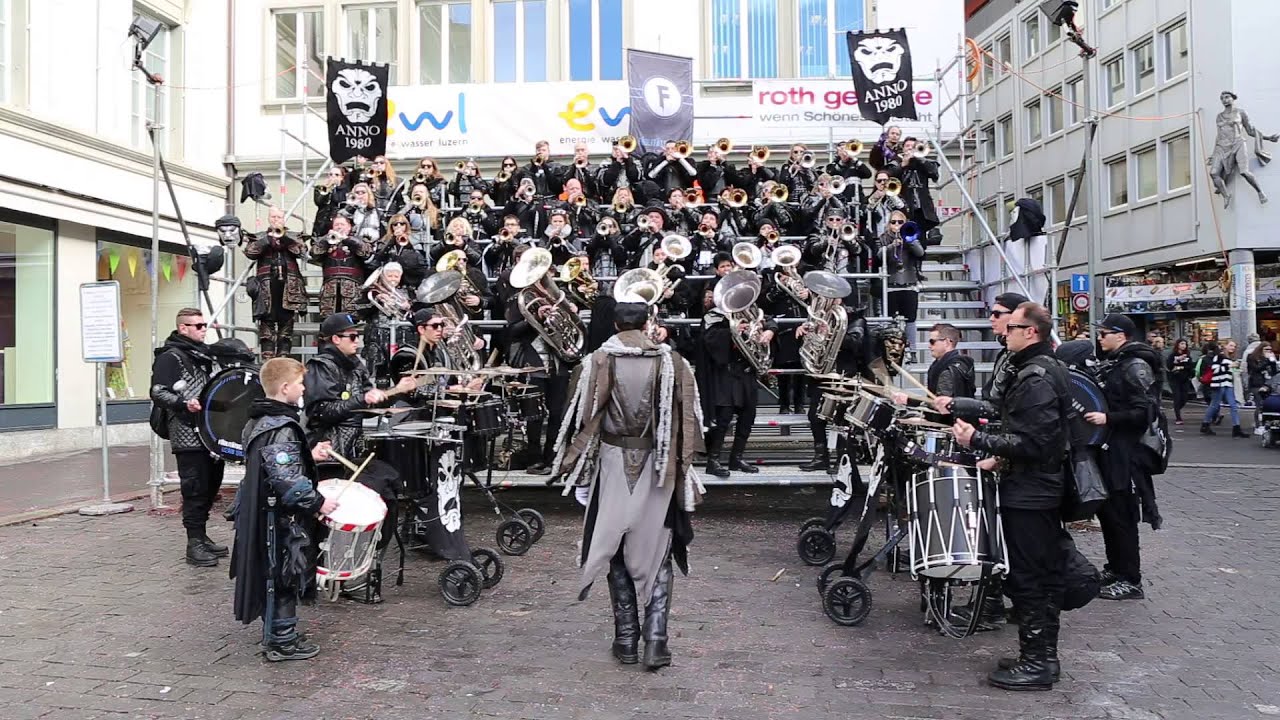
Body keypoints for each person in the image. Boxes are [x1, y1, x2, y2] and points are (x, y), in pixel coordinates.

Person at [551, 302, 704, 670]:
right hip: (659, 465)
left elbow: (581, 419)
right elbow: (689, 420)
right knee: (659, 548)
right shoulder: (672, 363)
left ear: (617, 323)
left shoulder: (596, 362)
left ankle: (626, 640)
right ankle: (655, 642)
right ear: (648, 323)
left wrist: (579, 472)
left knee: (616, 547)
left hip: (611, 462)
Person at [950, 302, 1068, 691]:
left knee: (1031, 577)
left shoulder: (1037, 376)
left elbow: (1034, 442)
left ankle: (1038, 663)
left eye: (1012, 327)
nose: (1005, 332)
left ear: (1031, 332)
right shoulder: (1038, 369)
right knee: (1034, 574)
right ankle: (1038, 657)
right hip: (1034, 487)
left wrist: (977, 439)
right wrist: (996, 457)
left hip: (1033, 492)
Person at [230, 357, 337, 662]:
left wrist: (308, 456)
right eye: (300, 383)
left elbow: (275, 464)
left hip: (264, 513)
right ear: (286, 387)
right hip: (279, 520)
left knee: (275, 574)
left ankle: (280, 633)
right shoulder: (281, 425)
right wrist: (318, 502)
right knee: (285, 575)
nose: (304, 388)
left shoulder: (259, 420)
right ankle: (283, 640)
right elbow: (286, 479)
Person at [304, 313, 415, 603]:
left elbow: (369, 398)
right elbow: (320, 412)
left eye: (358, 336)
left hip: (352, 449)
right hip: (328, 452)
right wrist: (359, 401)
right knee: (332, 513)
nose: (358, 341)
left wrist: (395, 392)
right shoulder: (321, 367)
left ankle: (360, 567)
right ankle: (327, 573)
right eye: (352, 337)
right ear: (335, 339)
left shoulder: (355, 365)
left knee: (389, 489)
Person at [1089, 313, 1163, 601]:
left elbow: (1145, 412)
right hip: (1113, 450)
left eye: (1104, 332)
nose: (1100, 337)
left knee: (1122, 516)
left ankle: (1131, 580)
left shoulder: (1134, 365)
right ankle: (1116, 569)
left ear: (1121, 336)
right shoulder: (1118, 363)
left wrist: (1108, 418)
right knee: (1110, 513)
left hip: (1127, 455)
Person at [149, 308, 227, 567]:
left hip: (210, 433)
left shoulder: (204, 354)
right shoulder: (170, 357)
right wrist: (183, 403)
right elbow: (158, 392)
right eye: (198, 325)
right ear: (183, 328)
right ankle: (193, 543)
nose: (203, 329)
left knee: (211, 486)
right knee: (194, 489)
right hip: (186, 432)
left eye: (205, 325)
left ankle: (202, 537)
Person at [700, 279, 777, 477]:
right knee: (724, 417)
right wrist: (733, 332)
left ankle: (737, 458)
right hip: (726, 372)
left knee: (747, 417)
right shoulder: (714, 315)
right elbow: (708, 340)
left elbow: (770, 320)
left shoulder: (752, 312)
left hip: (747, 371)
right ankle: (713, 460)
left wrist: (769, 330)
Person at [243, 207, 306, 359]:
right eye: (273, 217)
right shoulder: (260, 237)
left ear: (284, 219)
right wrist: (267, 240)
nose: (276, 220)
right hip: (266, 286)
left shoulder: (293, 235)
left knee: (287, 323)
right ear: (269, 219)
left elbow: (302, 252)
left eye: (279, 217)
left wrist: (284, 238)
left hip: (288, 285)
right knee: (266, 320)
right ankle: (267, 358)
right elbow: (250, 252)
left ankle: (284, 357)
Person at [1202, 339, 1247, 437]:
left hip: (1227, 383)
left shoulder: (1228, 357)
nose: (1233, 348)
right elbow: (1215, 370)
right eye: (1231, 346)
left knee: (1233, 406)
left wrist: (1234, 368)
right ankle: (1205, 424)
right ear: (1225, 346)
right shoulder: (1219, 356)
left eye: (1234, 346)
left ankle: (1236, 428)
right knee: (1214, 405)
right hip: (1218, 383)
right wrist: (1230, 366)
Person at [1246, 342, 1279, 434]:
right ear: (1260, 349)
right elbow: (1256, 369)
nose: (1268, 351)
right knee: (1259, 404)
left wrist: (1273, 362)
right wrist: (1266, 360)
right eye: (1266, 349)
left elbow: (1274, 372)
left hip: (1268, 383)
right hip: (1257, 384)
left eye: (1269, 350)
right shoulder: (1251, 357)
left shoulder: (1269, 359)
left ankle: (1266, 424)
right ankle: (1258, 425)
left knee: (1268, 405)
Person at [1166, 338, 1195, 425]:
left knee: (1184, 398)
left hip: (1184, 379)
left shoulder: (1187, 356)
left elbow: (1190, 367)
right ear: (1177, 345)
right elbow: (1169, 366)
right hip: (1174, 379)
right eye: (1182, 344)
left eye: (1185, 344)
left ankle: (1177, 408)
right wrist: (1177, 360)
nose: (1183, 346)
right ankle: (1178, 417)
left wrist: (1181, 367)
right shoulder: (1172, 355)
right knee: (1177, 397)